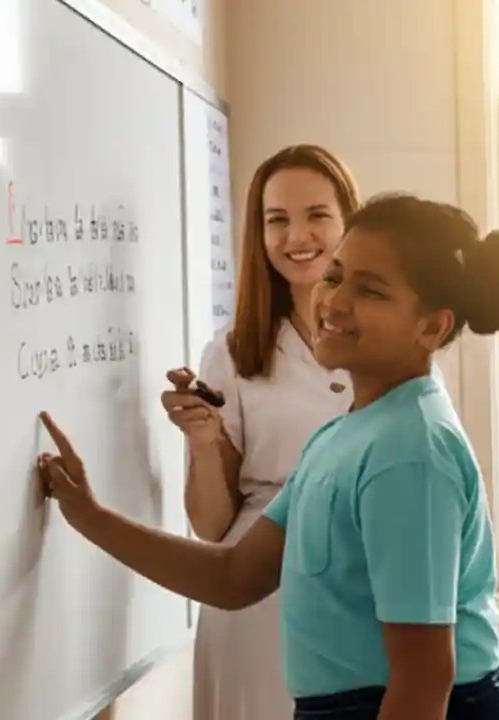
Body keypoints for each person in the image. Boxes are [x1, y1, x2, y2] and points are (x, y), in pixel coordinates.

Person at [39, 193, 499, 719]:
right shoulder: (344, 434)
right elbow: (233, 577)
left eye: (369, 290)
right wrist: (89, 516)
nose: (334, 302)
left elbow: (423, 680)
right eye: (335, 276)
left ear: (432, 327)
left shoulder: (410, 452)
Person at [163, 144, 361, 719]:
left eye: (317, 215)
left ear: (349, 221)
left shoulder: (387, 334)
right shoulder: (232, 351)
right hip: (256, 594)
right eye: (277, 220)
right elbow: (212, 527)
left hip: (359, 580)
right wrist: (204, 441)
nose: (297, 236)